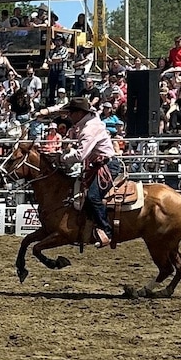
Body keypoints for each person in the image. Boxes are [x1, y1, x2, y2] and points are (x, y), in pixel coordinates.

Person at [58, 97, 122, 248]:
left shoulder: (89, 129)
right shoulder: (91, 121)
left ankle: (107, 231)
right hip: (99, 164)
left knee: (93, 196)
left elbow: (80, 155)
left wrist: (62, 158)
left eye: (71, 112)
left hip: (106, 166)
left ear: (79, 113)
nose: (69, 116)